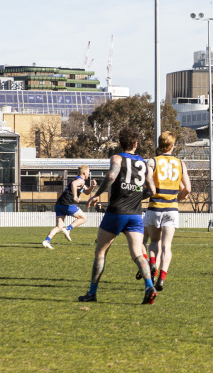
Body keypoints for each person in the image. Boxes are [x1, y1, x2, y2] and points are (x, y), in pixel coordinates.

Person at [78, 127, 157, 305]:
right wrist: (137, 196)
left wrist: (97, 193)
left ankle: (92, 293)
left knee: (101, 251)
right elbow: (152, 190)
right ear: (136, 144)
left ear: (121, 143)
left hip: (116, 212)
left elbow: (112, 176)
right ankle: (149, 286)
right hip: (135, 215)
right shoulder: (144, 164)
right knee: (138, 254)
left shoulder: (117, 158)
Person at [144, 131, 190, 292]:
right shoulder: (180, 163)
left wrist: (150, 190)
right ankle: (162, 277)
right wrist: (178, 198)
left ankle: (152, 263)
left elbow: (147, 179)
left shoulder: (153, 161)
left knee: (154, 242)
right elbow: (188, 189)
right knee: (167, 245)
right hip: (171, 208)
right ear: (172, 145)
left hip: (155, 206)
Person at [43, 165, 95, 249]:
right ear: (84, 173)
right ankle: (68, 229)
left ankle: (46, 241)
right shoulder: (80, 181)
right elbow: (74, 184)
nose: (89, 173)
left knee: (59, 226)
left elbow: (86, 192)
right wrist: (75, 196)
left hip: (59, 204)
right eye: (89, 171)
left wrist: (92, 186)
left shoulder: (78, 180)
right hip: (67, 204)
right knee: (83, 218)